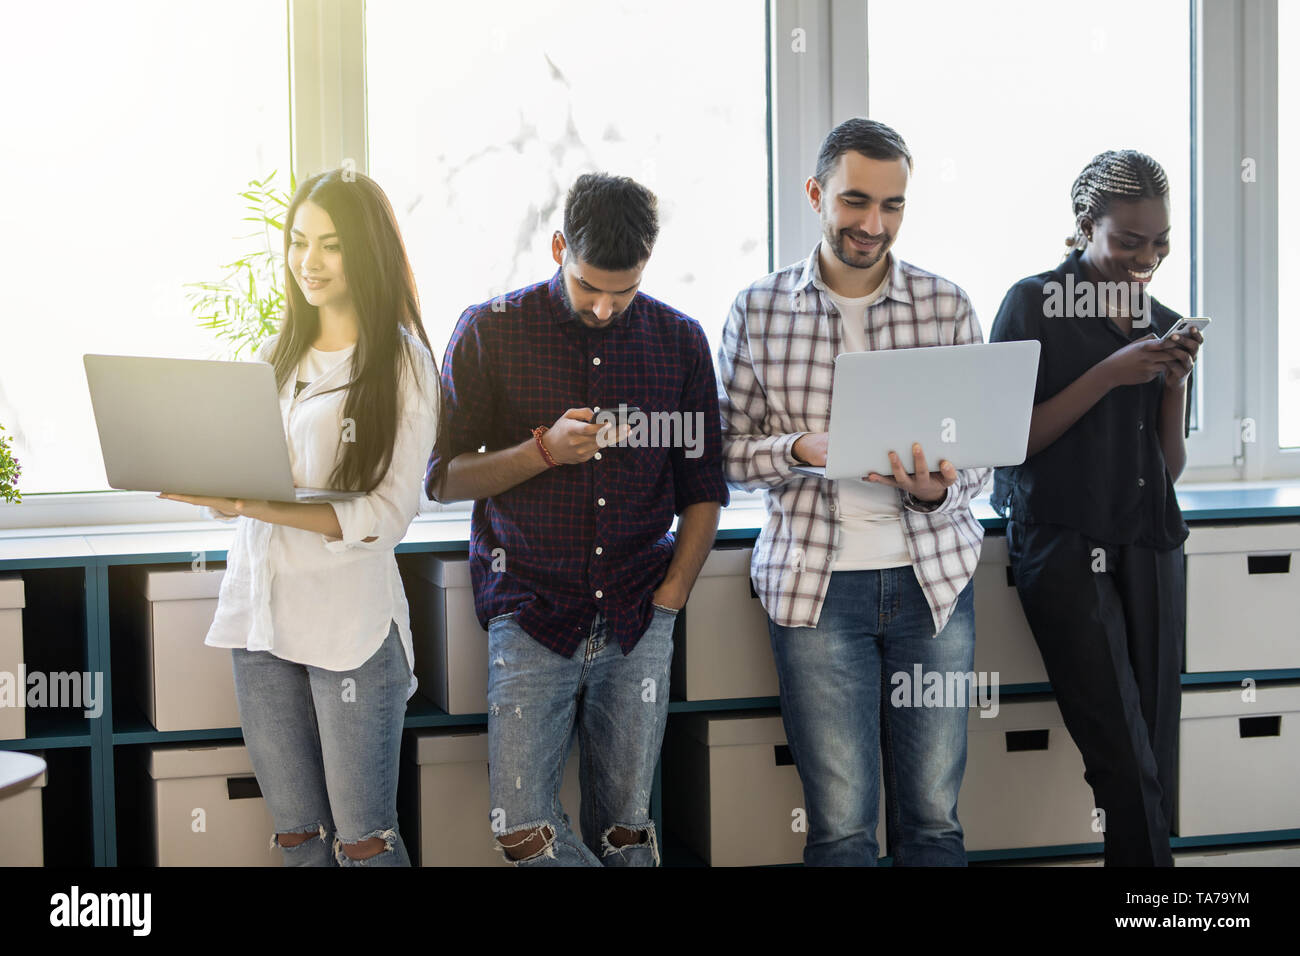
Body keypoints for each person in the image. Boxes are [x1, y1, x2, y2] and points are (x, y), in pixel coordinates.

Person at [427, 172, 728, 866]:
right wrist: (543, 451)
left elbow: (703, 487)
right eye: (588, 285)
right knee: (522, 829)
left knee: (626, 831)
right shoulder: (490, 329)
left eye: (621, 292)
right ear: (559, 245)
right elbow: (442, 476)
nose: (602, 307)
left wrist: (672, 597)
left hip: (638, 610)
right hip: (531, 608)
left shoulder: (679, 340)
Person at [718, 118, 989, 866]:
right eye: (855, 201)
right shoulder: (759, 309)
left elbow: (982, 461)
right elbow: (727, 455)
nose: (873, 224)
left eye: (893, 205)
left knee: (933, 821)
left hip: (932, 584)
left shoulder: (946, 305)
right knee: (839, 830)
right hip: (815, 591)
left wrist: (940, 490)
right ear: (816, 193)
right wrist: (800, 449)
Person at [161, 168, 440, 867]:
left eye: (331, 245)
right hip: (262, 621)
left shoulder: (403, 366)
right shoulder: (278, 355)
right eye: (298, 241)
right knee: (296, 840)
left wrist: (250, 502)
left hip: (349, 630)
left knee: (364, 844)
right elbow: (259, 481)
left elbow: (385, 516)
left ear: (367, 252)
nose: (308, 261)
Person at [989, 149, 1200, 866]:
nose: (1149, 257)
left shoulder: (1163, 321)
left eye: (1161, 240)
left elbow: (1166, 468)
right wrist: (1112, 373)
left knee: (1154, 755)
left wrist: (1170, 382)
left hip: (1150, 544)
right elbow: (1010, 443)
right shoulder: (1033, 302)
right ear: (1086, 227)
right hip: (1065, 546)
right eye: (1130, 240)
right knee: (1120, 754)